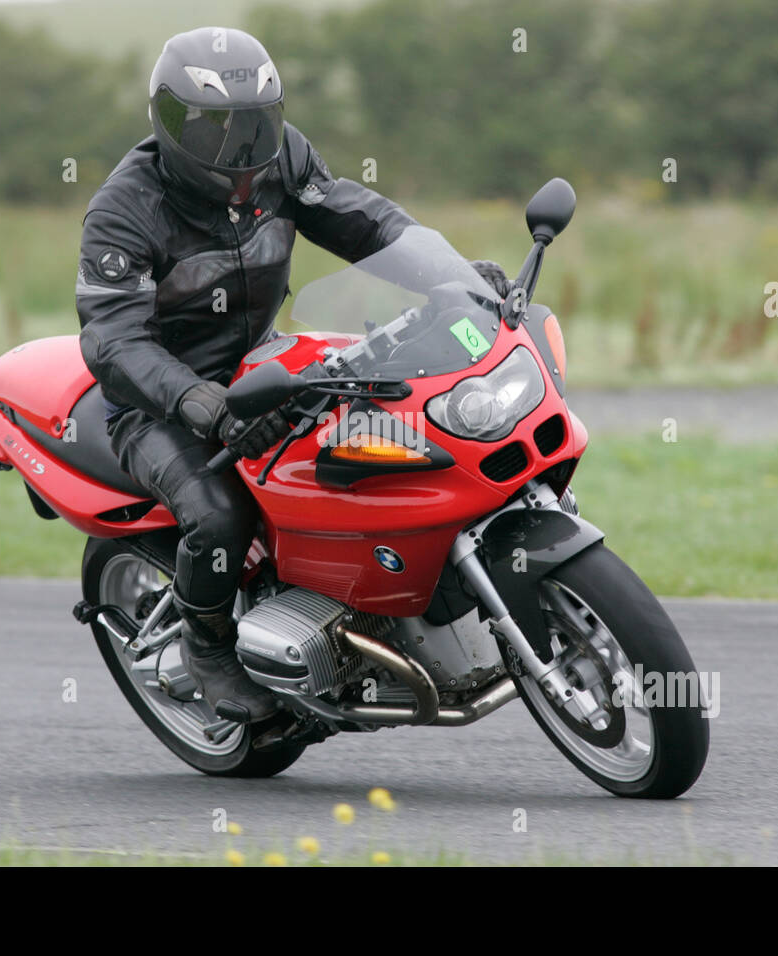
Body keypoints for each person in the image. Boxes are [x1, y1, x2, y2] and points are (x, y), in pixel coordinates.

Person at [76, 26, 509, 722]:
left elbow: (361, 222)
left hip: (262, 360)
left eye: (256, 124)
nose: (242, 149)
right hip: (160, 402)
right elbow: (113, 340)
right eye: (219, 129)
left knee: (383, 439)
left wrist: (455, 280)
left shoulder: (281, 158)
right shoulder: (125, 211)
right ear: (171, 122)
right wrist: (199, 402)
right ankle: (208, 648)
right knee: (219, 514)